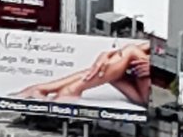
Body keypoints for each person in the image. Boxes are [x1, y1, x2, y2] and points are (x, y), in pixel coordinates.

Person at [13, 41, 152, 107]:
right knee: (108, 67)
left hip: (155, 95)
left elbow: (131, 51)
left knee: (130, 52)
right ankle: (44, 88)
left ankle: (67, 90)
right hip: (142, 91)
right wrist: (106, 55)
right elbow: (138, 49)